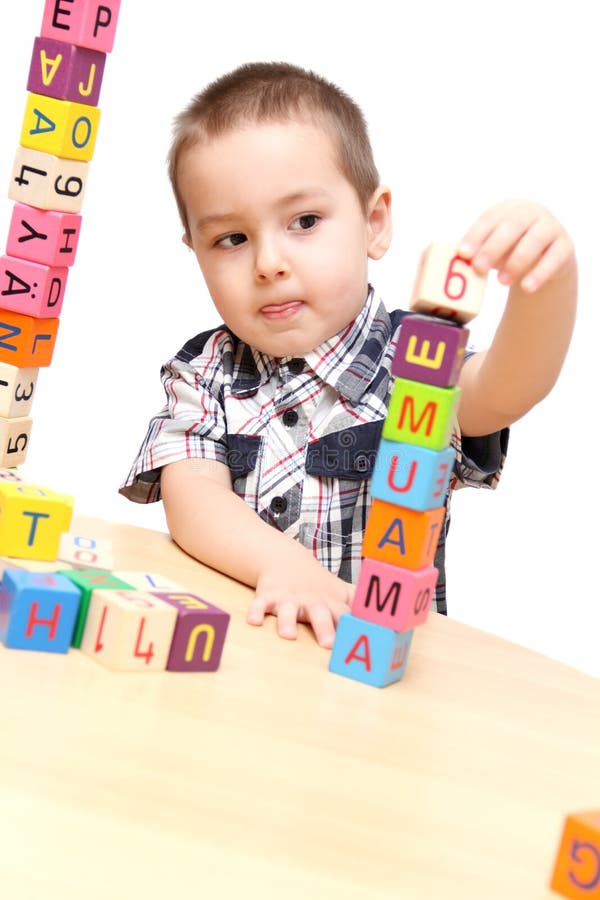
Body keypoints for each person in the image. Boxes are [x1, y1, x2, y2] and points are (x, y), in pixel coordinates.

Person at [119, 62, 577, 650]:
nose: (268, 262)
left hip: (378, 683)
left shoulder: (414, 361)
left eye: (304, 221)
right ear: (196, 252)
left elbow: (510, 386)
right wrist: (281, 567)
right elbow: (193, 497)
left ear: (374, 222)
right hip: (242, 668)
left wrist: (550, 284)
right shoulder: (203, 373)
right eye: (231, 239)